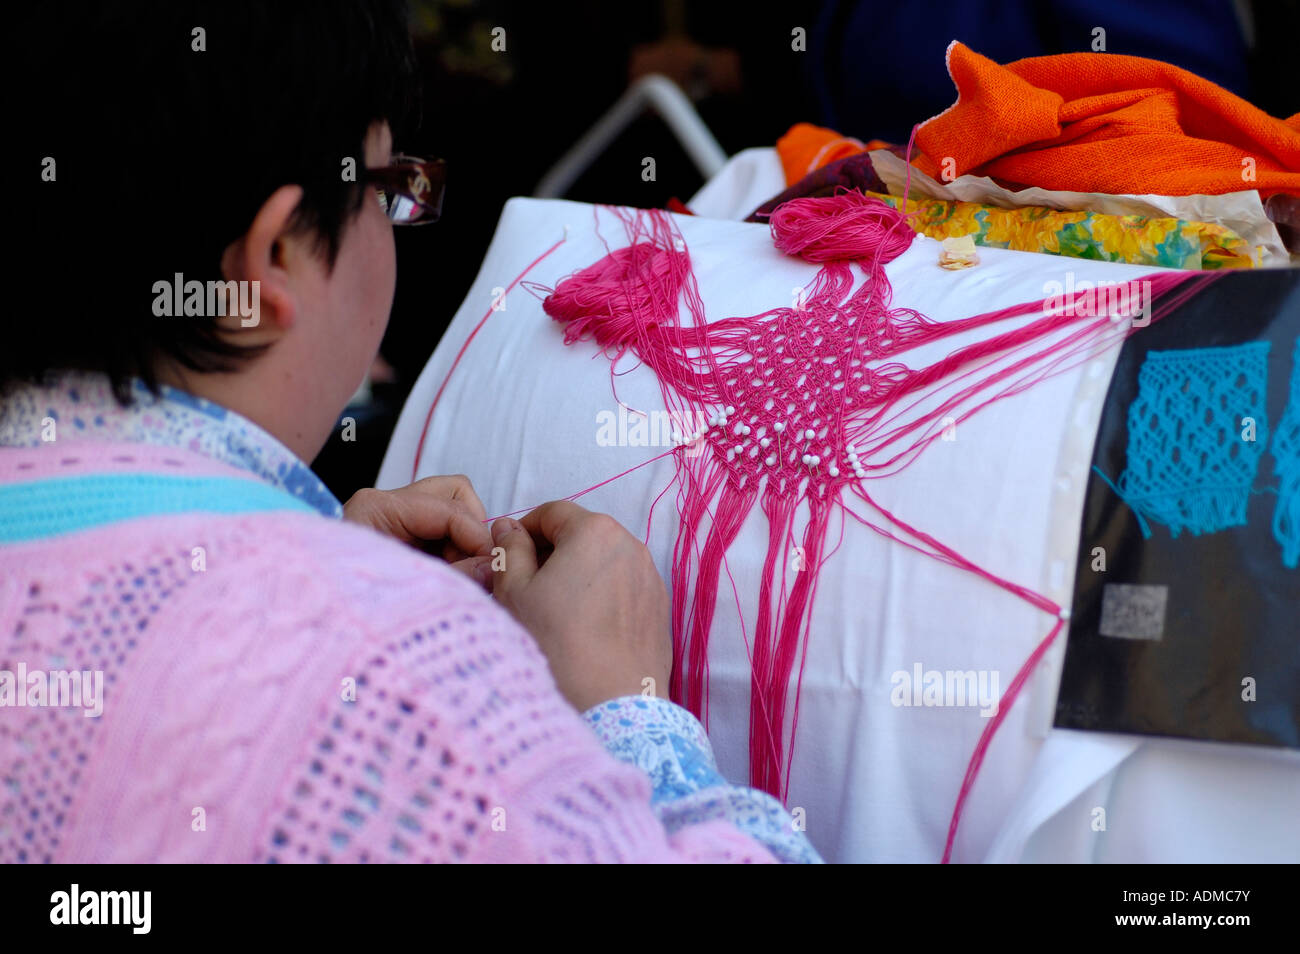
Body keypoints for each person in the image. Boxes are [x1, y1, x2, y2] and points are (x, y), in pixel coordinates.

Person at [1, 0, 818, 863]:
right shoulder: (399, 685)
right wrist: (628, 715)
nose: (398, 222)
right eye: (393, 191)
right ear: (278, 255)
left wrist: (316, 559)